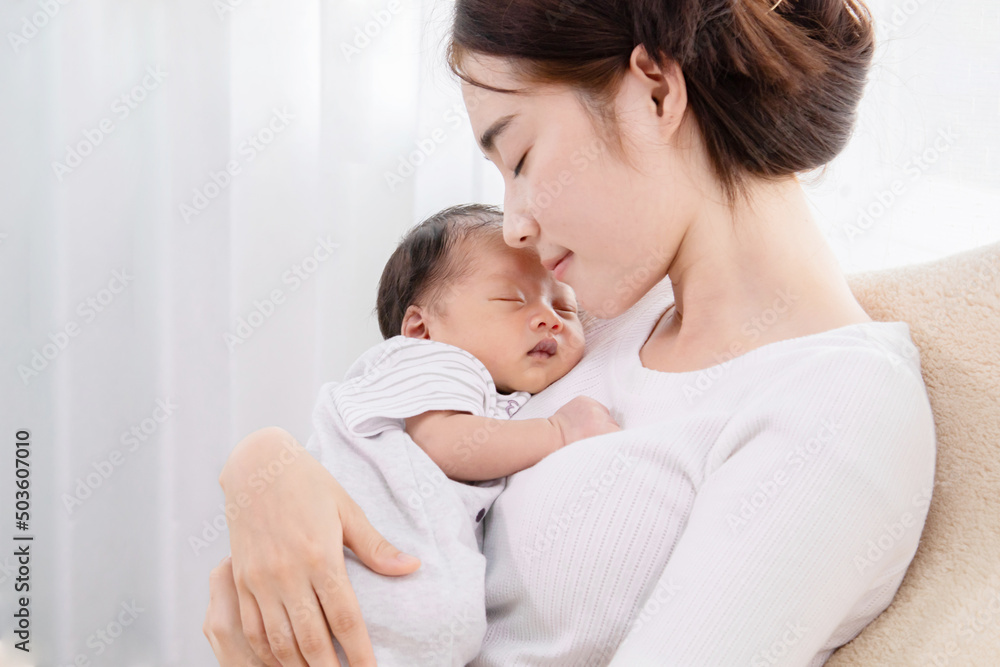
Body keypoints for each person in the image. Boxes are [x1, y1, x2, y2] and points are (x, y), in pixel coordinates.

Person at [204, 0, 938, 665]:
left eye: (519, 158)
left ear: (654, 91)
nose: (516, 223)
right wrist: (262, 469)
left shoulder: (838, 405)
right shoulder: (601, 320)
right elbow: (410, 435)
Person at [302, 203, 619, 666]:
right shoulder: (437, 362)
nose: (549, 317)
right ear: (420, 328)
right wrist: (557, 431)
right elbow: (444, 444)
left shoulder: (480, 384)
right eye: (512, 300)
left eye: (565, 306)